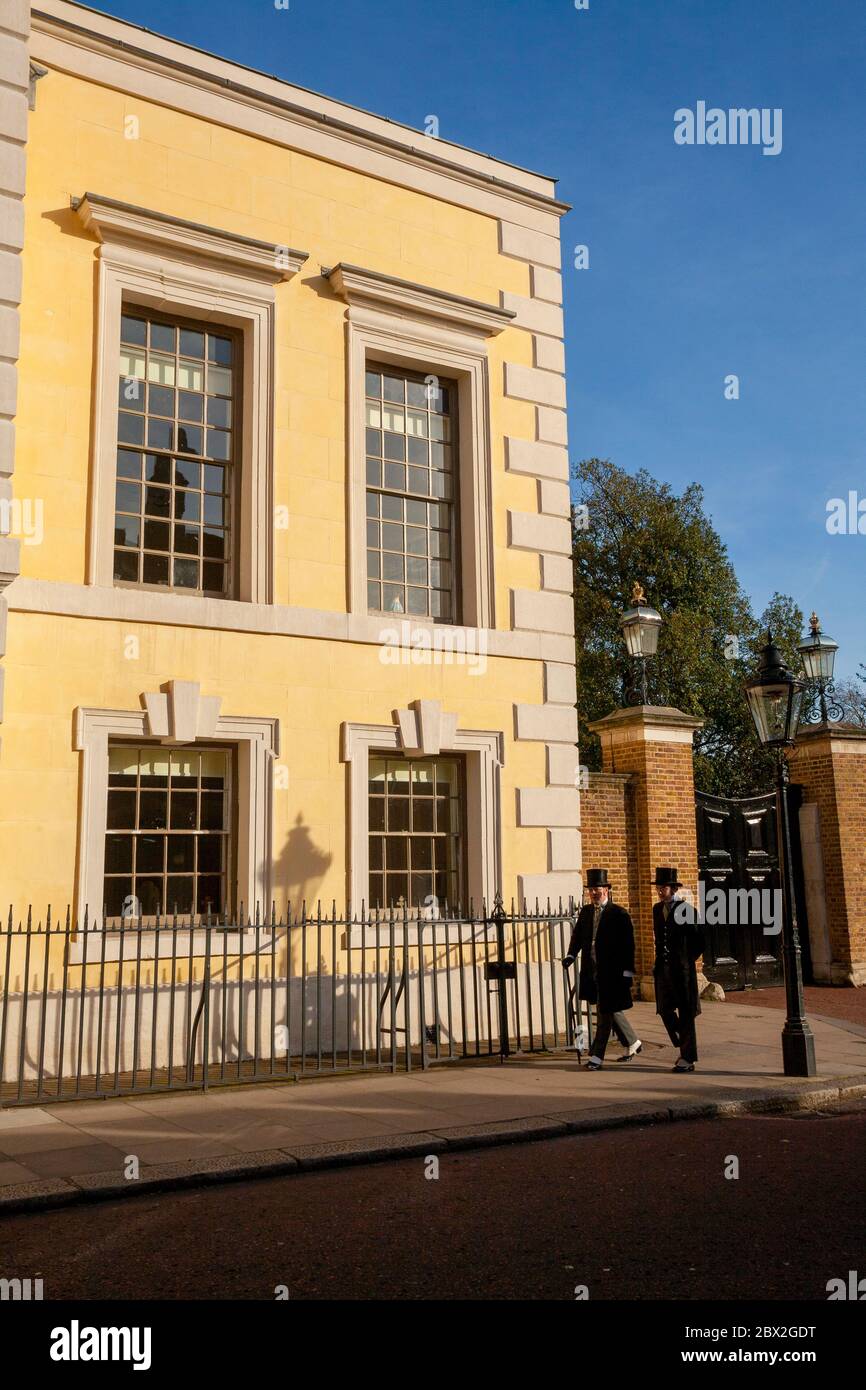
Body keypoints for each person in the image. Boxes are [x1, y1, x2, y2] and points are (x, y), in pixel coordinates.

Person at [562, 868, 641, 1070]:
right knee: (610, 1008)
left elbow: (628, 946)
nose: (594, 893)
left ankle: (597, 1056)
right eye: (591, 890)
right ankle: (632, 1042)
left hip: (612, 973)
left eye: (597, 889)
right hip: (592, 970)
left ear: (606, 889)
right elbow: (578, 936)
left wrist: (628, 973)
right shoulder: (587, 912)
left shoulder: (619, 914)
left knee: (604, 1013)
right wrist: (571, 955)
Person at [652, 867, 704, 1073]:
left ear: (673, 889)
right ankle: (684, 1042)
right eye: (658, 887)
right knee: (664, 1009)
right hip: (663, 970)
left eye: (663, 887)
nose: (659, 891)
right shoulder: (657, 910)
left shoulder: (687, 911)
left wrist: (686, 959)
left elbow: (699, 941)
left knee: (686, 1013)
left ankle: (687, 1058)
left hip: (682, 972)